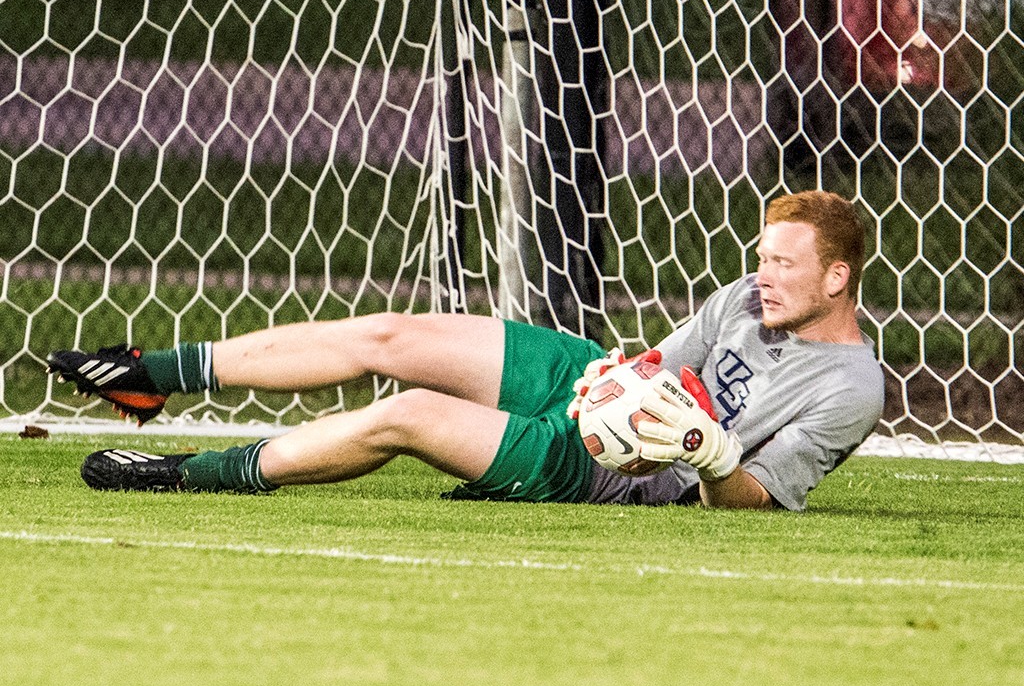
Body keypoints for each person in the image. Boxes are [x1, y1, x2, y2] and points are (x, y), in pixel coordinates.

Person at [46, 190, 884, 511]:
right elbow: (656, 363)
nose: (759, 275)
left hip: (618, 470)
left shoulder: (852, 389)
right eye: (761, 255)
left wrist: (706, 453)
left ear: (837, 276)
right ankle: (149, 374)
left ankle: (183, 470)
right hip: (589, 397)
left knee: (406, 415)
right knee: (393, 334)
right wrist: (613, 374)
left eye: (782, 262)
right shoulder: (742, 298)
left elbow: (754, 502)